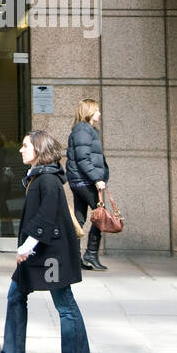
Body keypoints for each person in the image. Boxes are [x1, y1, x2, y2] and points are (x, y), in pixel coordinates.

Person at [0, 129, 93, 353]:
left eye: (25, 146)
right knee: (16, 295)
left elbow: (45, 217)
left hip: (51, 254)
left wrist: (26, 247)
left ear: (39, 150)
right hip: (42, 251)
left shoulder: (47, 179)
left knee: (64, 304)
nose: (21, 149)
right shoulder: (41, 176)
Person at [67, 98, 110, 270]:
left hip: (79, 181)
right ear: (90, 112)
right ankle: (91, 254)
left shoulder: (85, 130)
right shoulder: (83, 131)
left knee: (79, 219)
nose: (99, 113)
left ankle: (74, 258)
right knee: (101, 216)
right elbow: (83, 159)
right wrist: (96, 179)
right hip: (84, 181)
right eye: (97, 110)